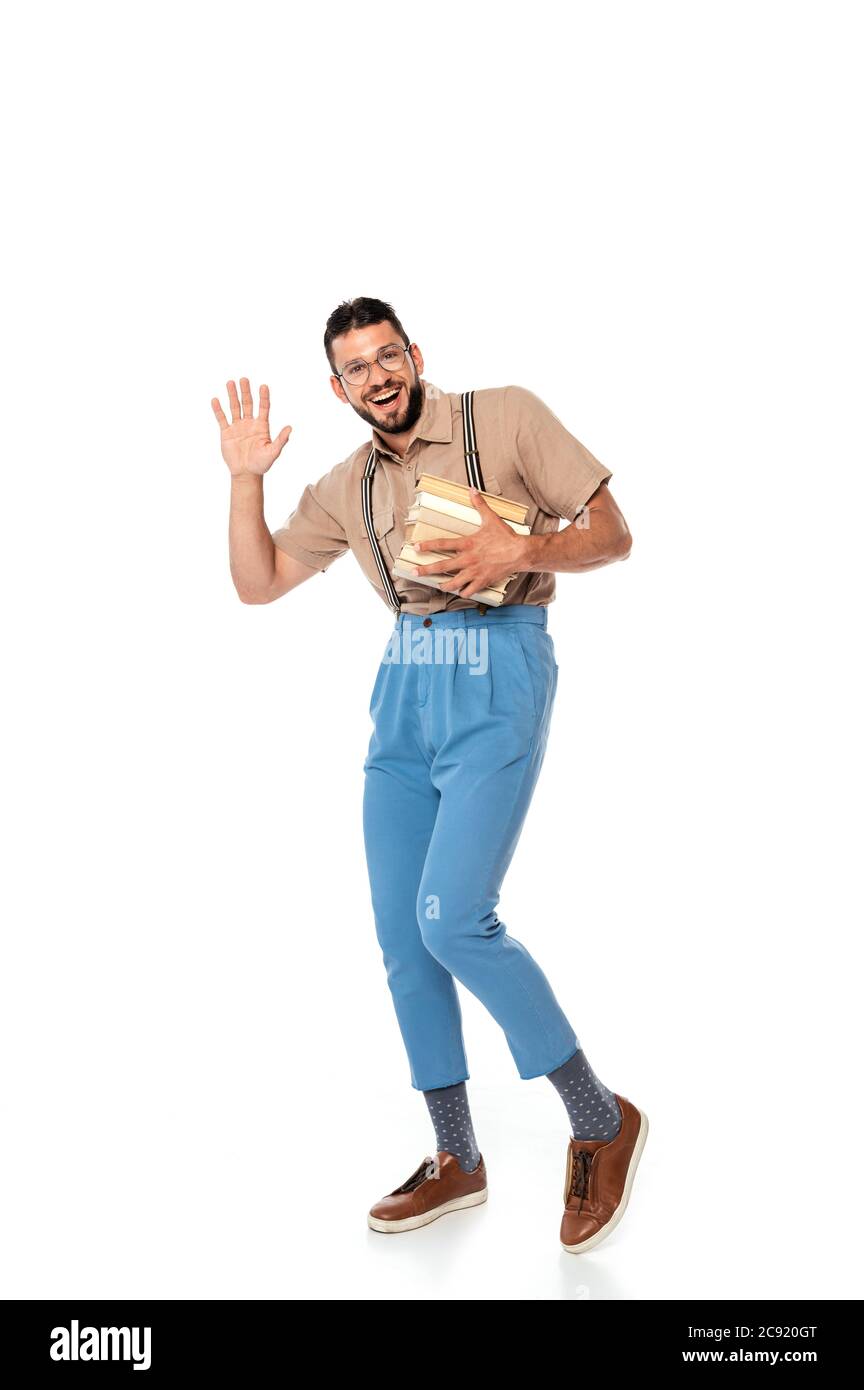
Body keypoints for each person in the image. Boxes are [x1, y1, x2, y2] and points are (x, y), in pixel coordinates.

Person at [210, 297, 649, 1252]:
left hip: (499, 669)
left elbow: (613, 534)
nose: (377, 375)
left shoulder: (506, 417)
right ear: (339, 389)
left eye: (387, 354)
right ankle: (458, 1158)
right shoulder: (346, 484)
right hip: (403, 686)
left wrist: (522, 548)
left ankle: (602, 1120)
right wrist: (245, 481)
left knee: (454, 917)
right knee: (404, 938)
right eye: (356, 367)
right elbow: (258, 583)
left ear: (415, 355)